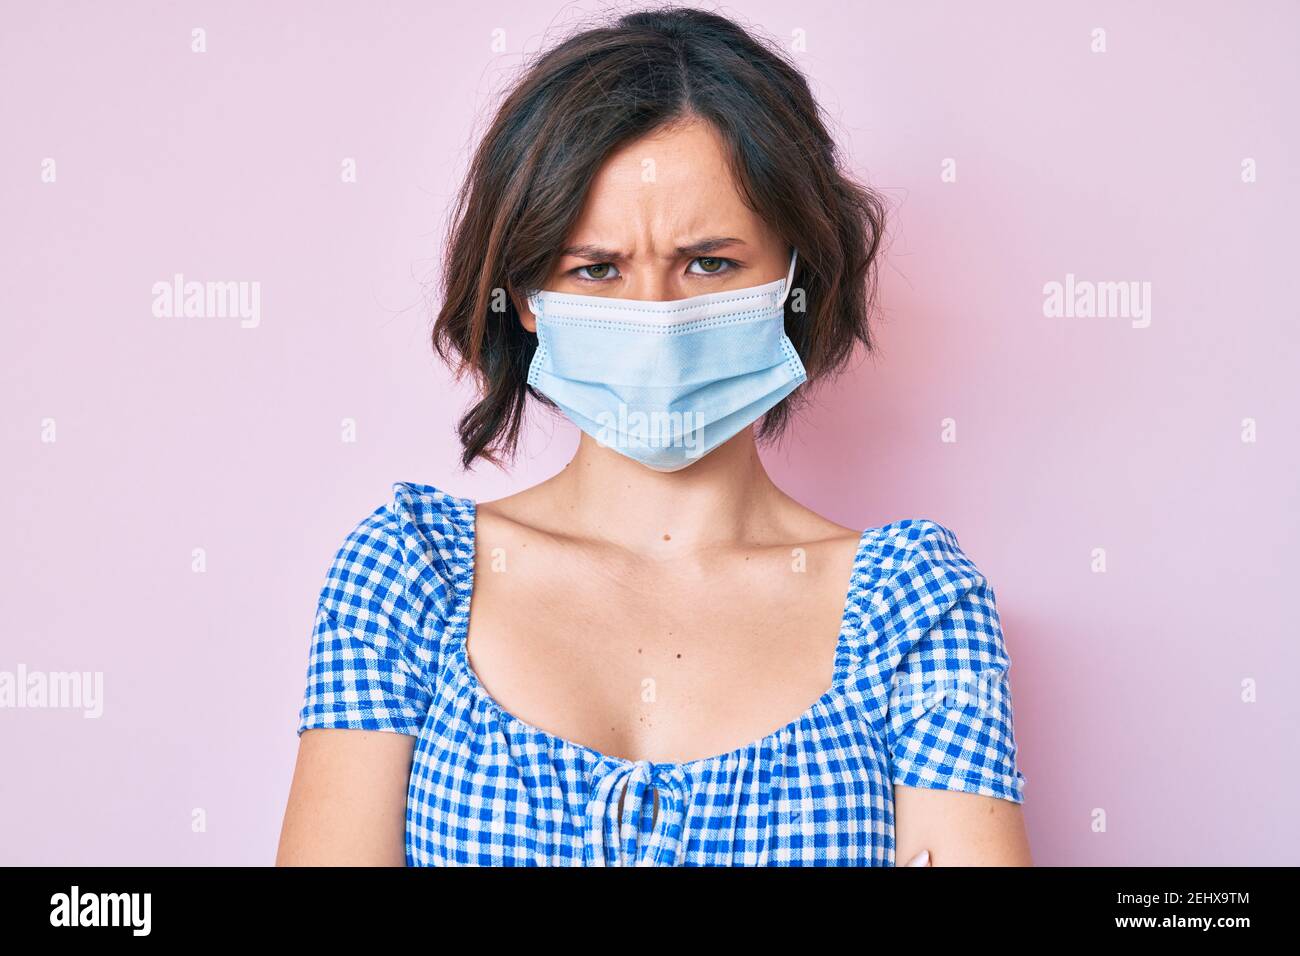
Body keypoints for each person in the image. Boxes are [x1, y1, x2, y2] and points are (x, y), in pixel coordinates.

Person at [277, 6, 1030, 867]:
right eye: (595, 269)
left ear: (795, 277)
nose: (656, 316)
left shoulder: (917, 606)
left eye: (710, 263)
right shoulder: (409, 575)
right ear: (526, 296)